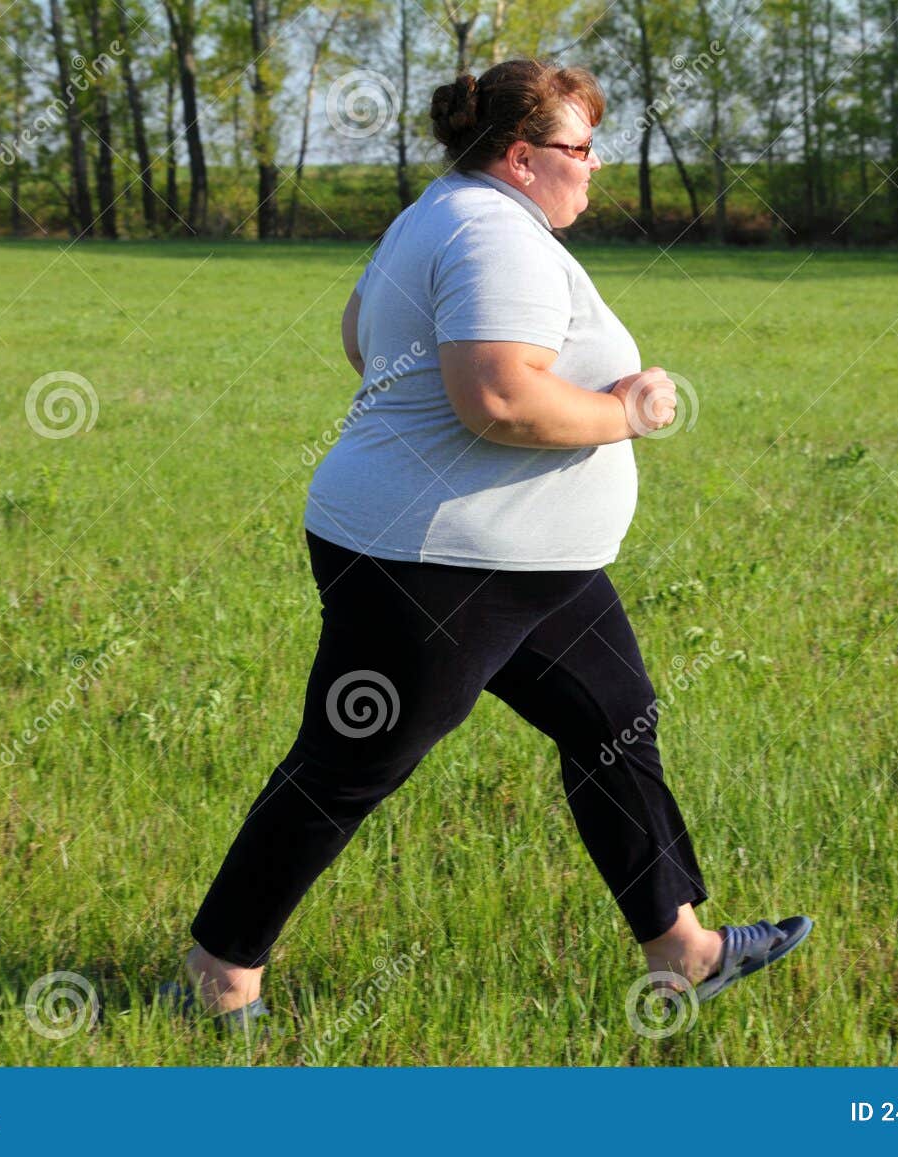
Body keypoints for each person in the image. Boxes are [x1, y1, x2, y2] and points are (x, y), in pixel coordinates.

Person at [169, 58, 810, 1032]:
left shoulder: (442, 211)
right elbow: (500, 396)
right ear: (522, 157)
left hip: (531, 566)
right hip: (437, 565)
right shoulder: (488, 235)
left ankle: (683, 949)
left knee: (615, 723)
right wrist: (625, 410)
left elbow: (362, 337)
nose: (594, 166)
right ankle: (219, 974)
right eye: (580, 148)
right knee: (349, 762)